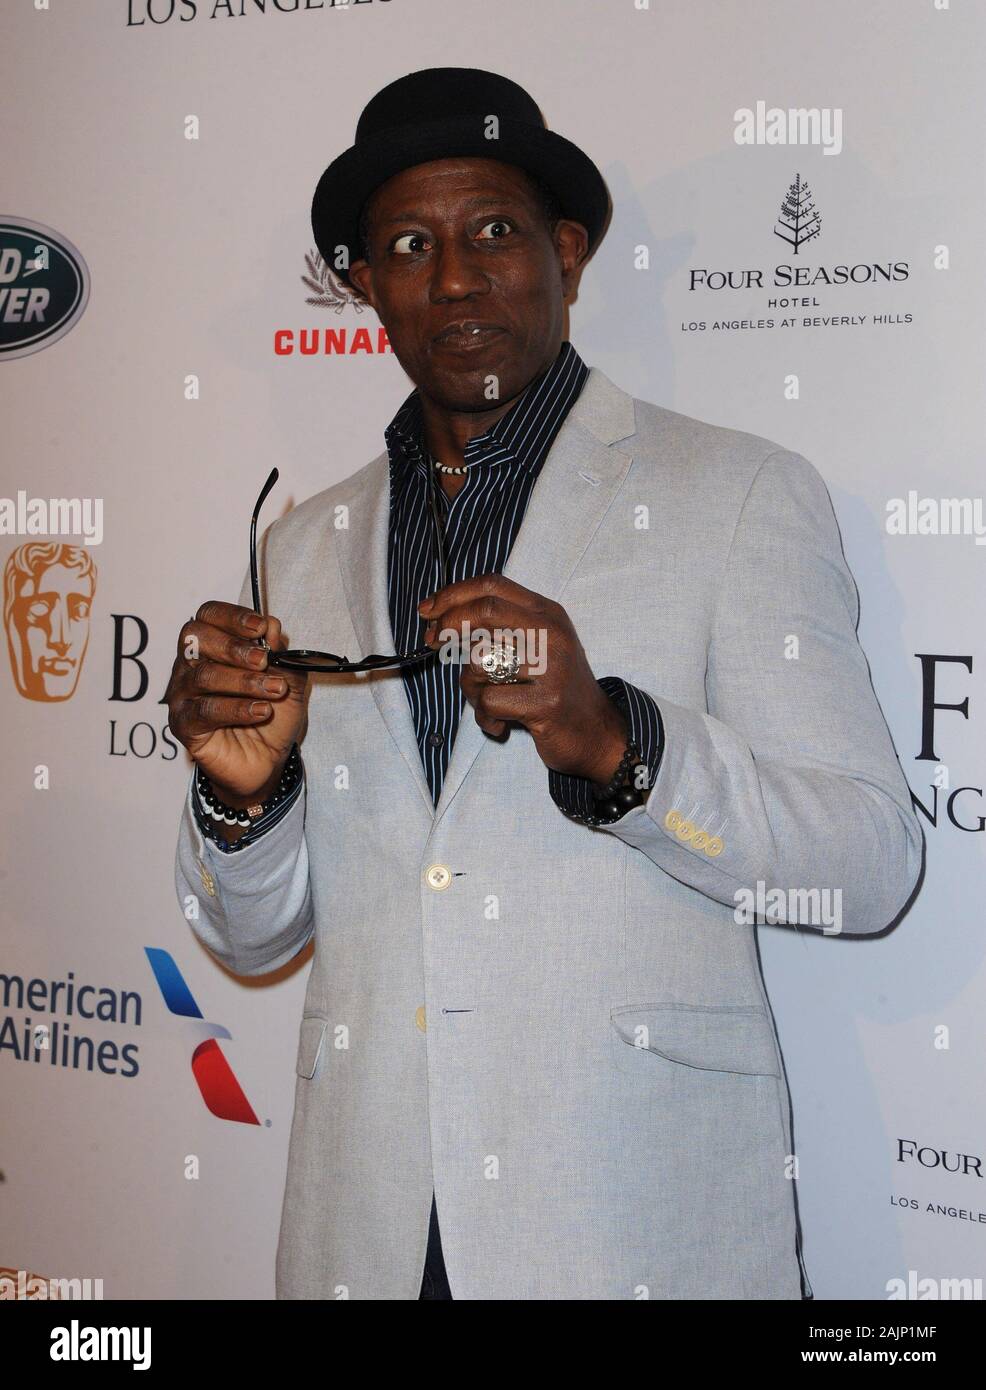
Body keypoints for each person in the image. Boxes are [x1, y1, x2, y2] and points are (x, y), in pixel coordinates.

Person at [166, 67, 924, 1300]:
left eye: (494, 232)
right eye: (408, 244)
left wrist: (614, 742)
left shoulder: (734, 495)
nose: (454, 276)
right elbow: (252, 933)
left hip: (629, 1223)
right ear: (362, 285)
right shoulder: (302, 548)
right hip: (365, 1232)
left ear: (567, 255)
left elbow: (867, 864)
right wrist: (243, 803)